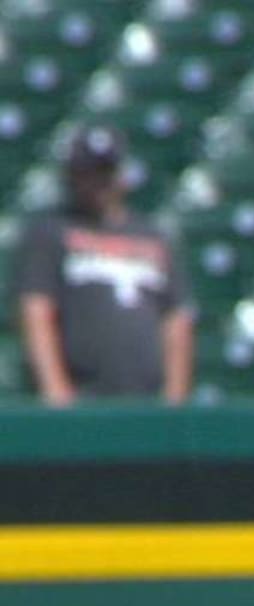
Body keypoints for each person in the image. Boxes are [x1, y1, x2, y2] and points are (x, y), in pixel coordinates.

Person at [10, 125, 194, 407]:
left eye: (105, 173)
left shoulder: (153, 237)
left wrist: (174, 399)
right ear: (72, 176)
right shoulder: (51, 233)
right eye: (89, 173)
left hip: (148, 403)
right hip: (83, 400)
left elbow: (176, 320)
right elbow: (37, 311)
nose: (98, 184)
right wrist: (56, 392)